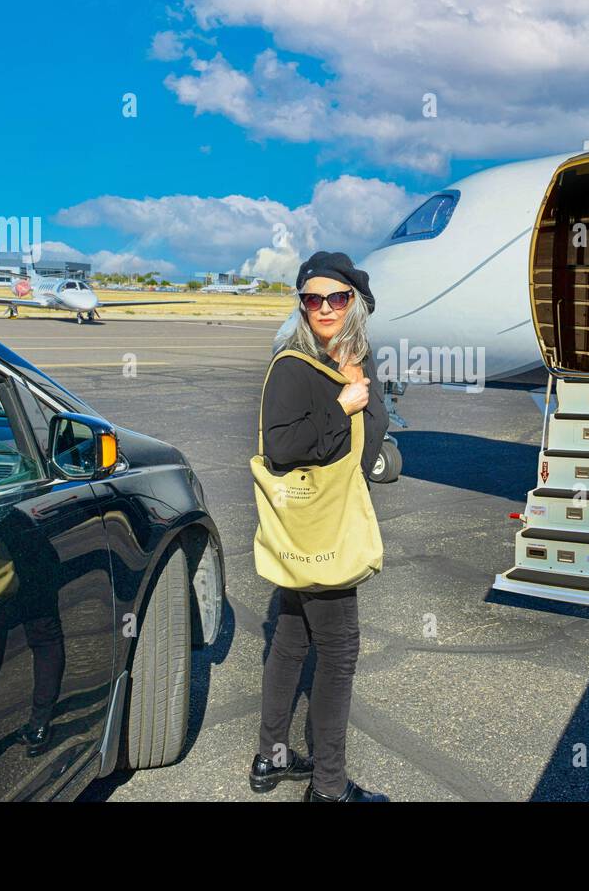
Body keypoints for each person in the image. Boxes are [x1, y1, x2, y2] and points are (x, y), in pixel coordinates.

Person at [249, 250, 390, 802]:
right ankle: (329, 789)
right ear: (302, 306)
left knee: (289, 639)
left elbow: (364, 435)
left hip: (318, 524)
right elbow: (281, 445)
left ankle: (271, 759)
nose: (324, 307)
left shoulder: (355, 358)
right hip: (320, 526)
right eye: (313, 299)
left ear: (355, 302)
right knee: (338, 653)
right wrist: (344, 405)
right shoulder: (294, 365)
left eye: (337, 297)